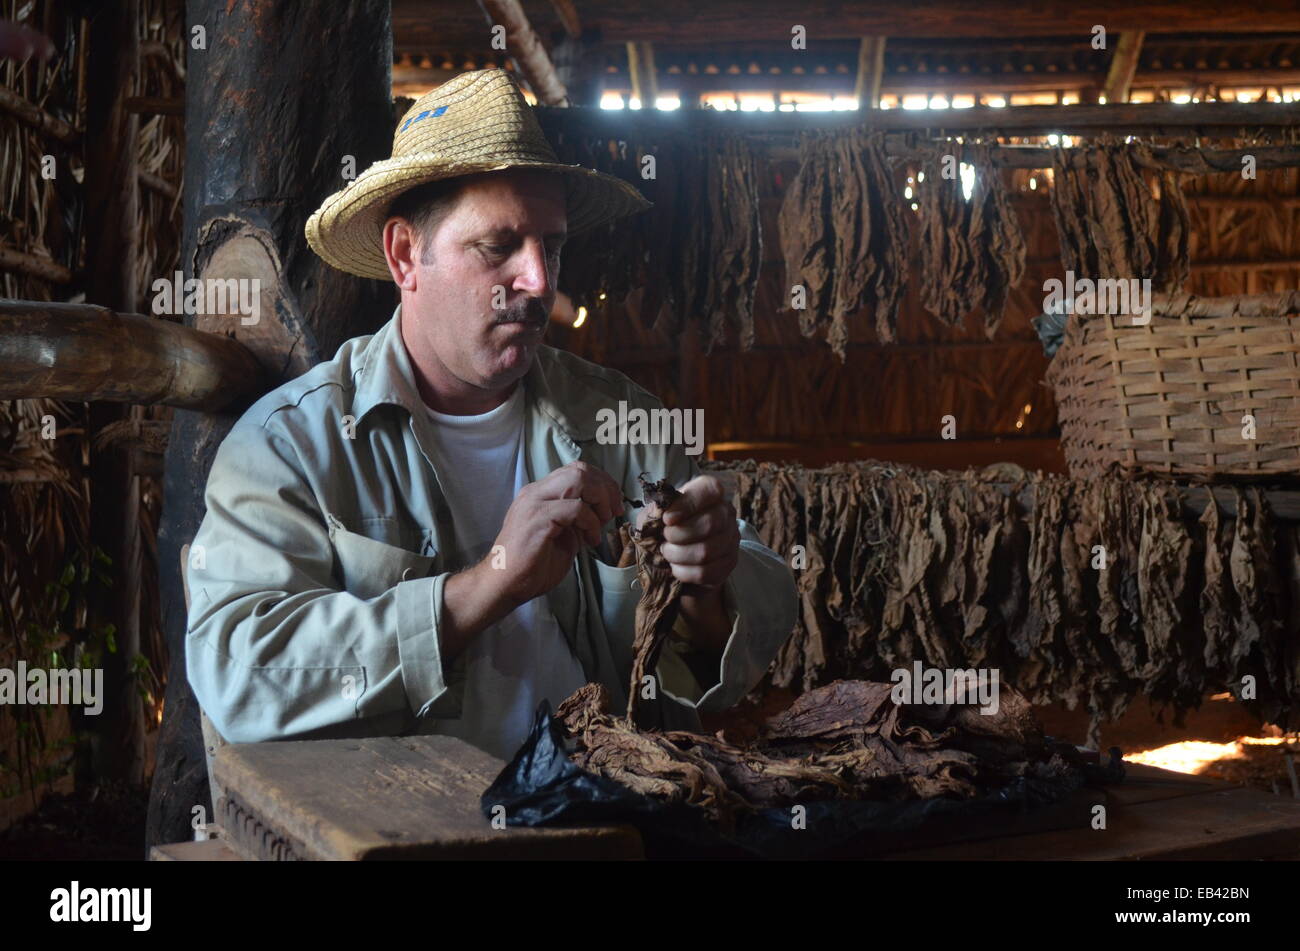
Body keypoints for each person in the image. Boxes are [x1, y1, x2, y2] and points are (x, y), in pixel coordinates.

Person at [185, 68, 797, 761]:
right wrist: (487, 586)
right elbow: (238, 673)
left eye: (553, 246)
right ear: (405, 255)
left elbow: (761, 614)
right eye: (498, 245)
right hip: (398, 837)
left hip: (599, 826)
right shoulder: (290, 446)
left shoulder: (618, 421)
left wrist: (708, 585)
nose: (538, 281)